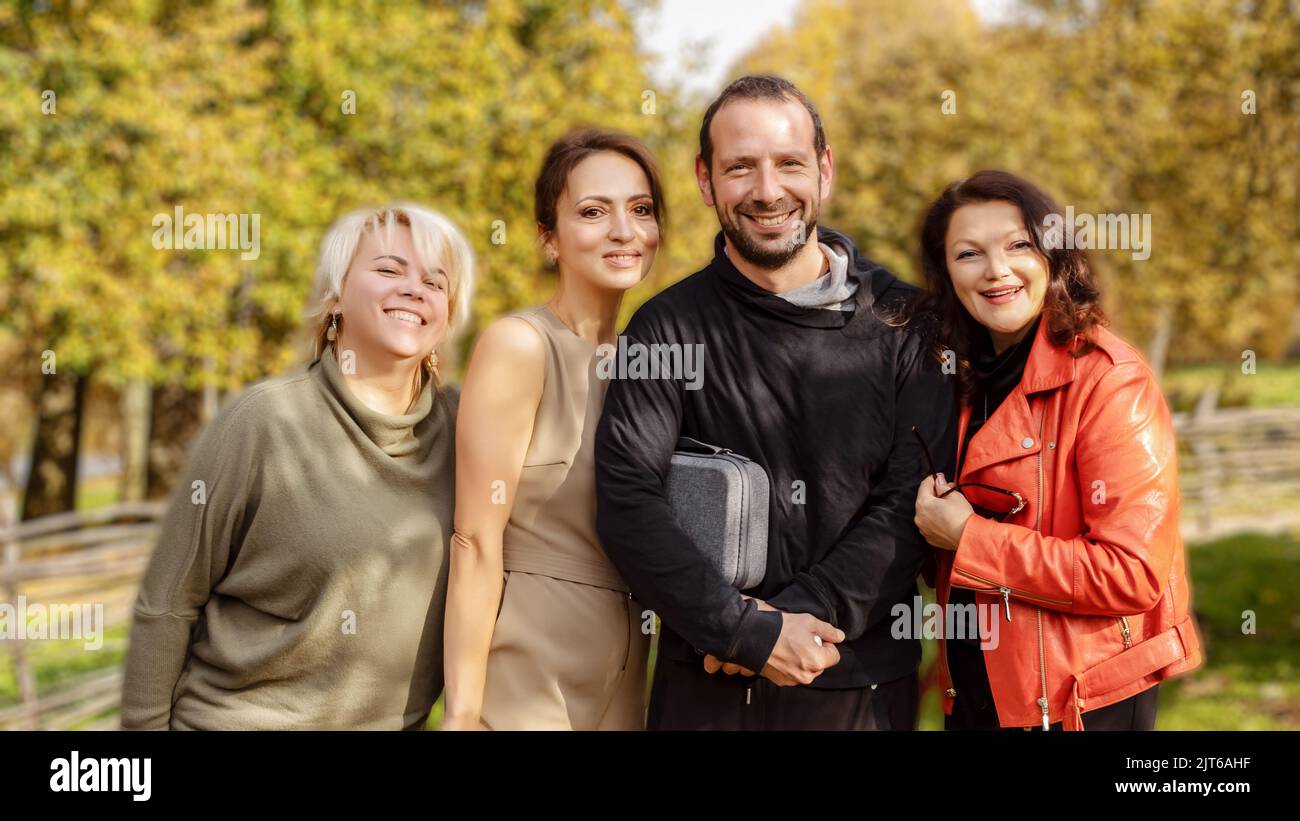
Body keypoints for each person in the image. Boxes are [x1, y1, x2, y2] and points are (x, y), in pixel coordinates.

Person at [594, 75, 956, 730]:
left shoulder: (906, 322)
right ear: (706, 181)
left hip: (860, 687)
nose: (767, 191)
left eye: (788, 163)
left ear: (824, 170)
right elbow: (627, 502)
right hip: (706, 690)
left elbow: (911, 501)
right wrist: (742, 632)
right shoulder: (664, 329)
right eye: (740, 168)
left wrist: (790, 624)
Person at [120, 203, 473, 729]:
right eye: (389, 270)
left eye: (434, 281)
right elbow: (169, 602)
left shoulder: (468, 429)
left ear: (447, 314)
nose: (414, 289)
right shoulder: (264, 421)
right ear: (335, 298)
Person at [911, 170, 1203, 730]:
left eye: (1017, 245)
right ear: (946, 273)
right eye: (968, 253)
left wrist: (969, 538)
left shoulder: (1109, 381)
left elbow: (1131, 574)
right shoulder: (957, 380)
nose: (996, 270)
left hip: (1076, 701)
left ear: (1053, 253)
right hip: (975, 694)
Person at [442, 128, 663, 730]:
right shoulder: (520, 345)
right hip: (528, 674)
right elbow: (474, 541)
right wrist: (461, 715)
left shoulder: (648, 363)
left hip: (628, 678)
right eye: (593, 212)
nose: (624, 230)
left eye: (640, 210)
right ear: (548, 238)